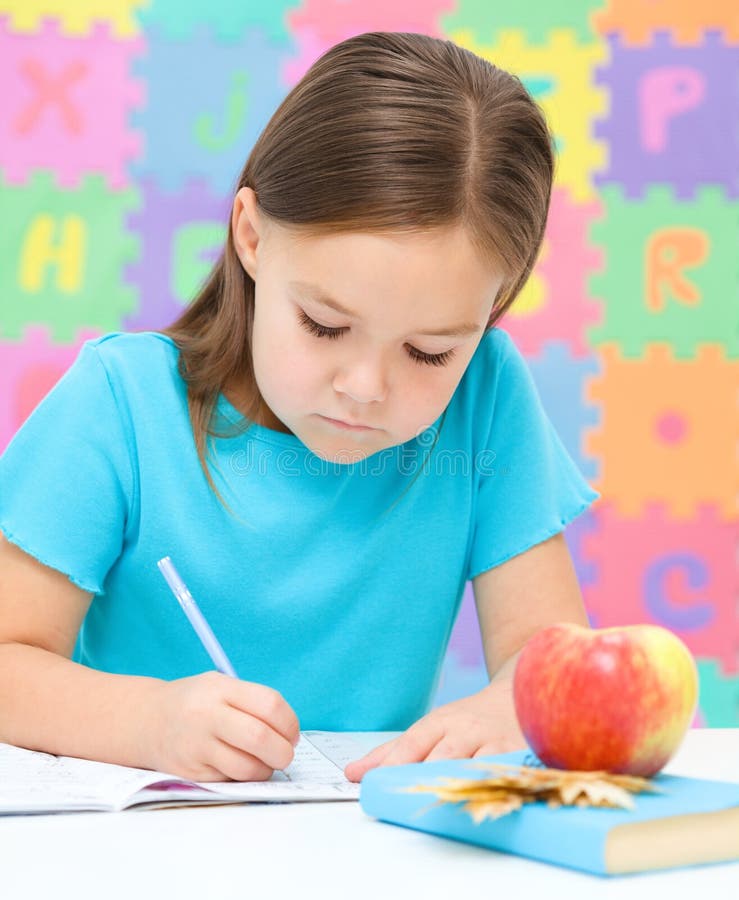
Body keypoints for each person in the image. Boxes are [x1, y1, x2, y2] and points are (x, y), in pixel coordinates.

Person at [0, 32, 599, 784]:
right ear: (251, 237)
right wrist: (149, 724)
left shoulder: (485, 399)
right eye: (323, 325)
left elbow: (548, 654)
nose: (364, 387)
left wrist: (514, 702)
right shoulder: (120, 405)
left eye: (429, 352)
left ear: (491, 312)